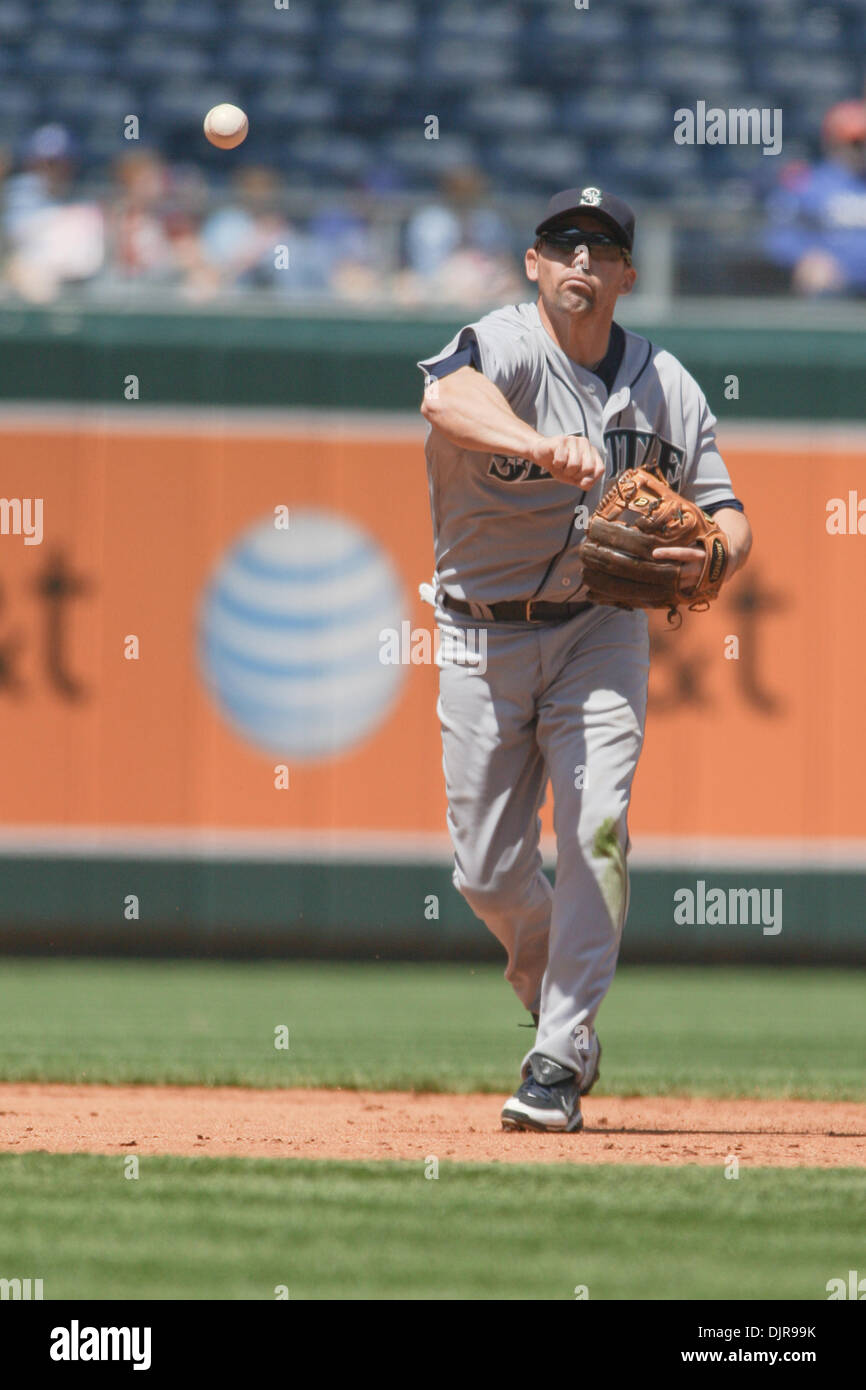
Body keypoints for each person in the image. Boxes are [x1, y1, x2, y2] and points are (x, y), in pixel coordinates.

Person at [416, 186, 752, 1133]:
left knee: (598, 827)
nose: (581, 261)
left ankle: (558, 1055)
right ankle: (546, 978)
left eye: (602, 249)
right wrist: (536, 444)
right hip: (478, 630)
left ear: (627, 275)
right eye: (563, 243)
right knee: (484, 872)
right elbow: (447, 395)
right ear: (533, 264)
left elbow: (729, 510)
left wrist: (719, 553)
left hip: (599, 629)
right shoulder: (509, 345)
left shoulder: (666, 384)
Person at [764, 99, 866, 296]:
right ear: (834, 141)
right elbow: (778, 235)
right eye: (857, 142)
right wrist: (806, 258)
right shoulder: (809, 185)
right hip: (835, 288)